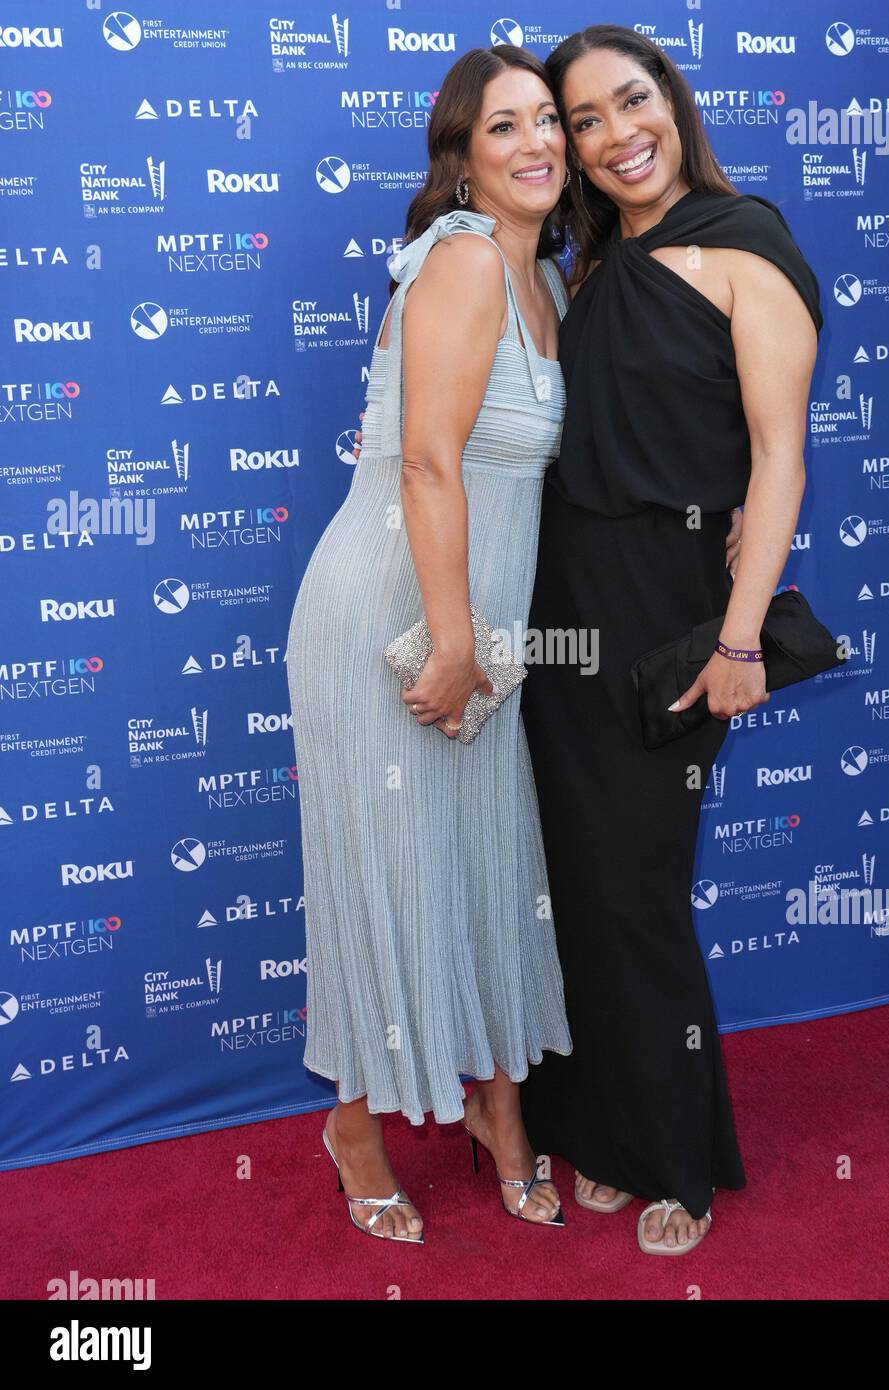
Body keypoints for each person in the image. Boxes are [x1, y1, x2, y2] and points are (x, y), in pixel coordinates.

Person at [517, 25, 822, 1254]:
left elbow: (779, 456)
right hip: (561, 604)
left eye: (626, 101)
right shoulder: (587, 266)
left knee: (640, 888)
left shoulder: (749, 244)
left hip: (676, 603)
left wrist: (740, 638)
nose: (609, 134)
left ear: (670, 102)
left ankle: (678, 1163)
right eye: (580, 121)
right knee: (574, 884)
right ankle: (594, 1127)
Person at [285, 45, 574, 1242]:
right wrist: (451, 646)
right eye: (502, 128)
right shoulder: (461, 263)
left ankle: (498, 1113)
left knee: (485, 867)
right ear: (459, 160)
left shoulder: (541, 280)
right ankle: (354, 1122)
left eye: (548, 119)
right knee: (388, 869)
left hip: (479, 628)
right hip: (392, 615)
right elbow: (424, 461)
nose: (538, 144)